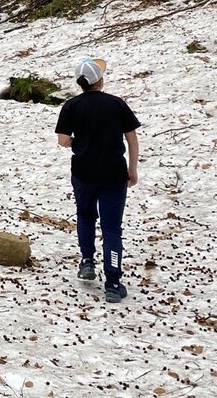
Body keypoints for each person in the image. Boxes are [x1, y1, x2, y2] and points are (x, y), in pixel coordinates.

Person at [54, 57, 140, 303]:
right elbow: (132, 140)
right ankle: (112, 282)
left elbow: (63, 140)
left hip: (83, 173)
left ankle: (87, 261)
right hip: (114, 174)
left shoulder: (71, 106)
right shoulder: (116, 104)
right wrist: (132, 169)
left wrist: (79, 143)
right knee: (112, 228)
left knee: (85, 215)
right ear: (100, 81)